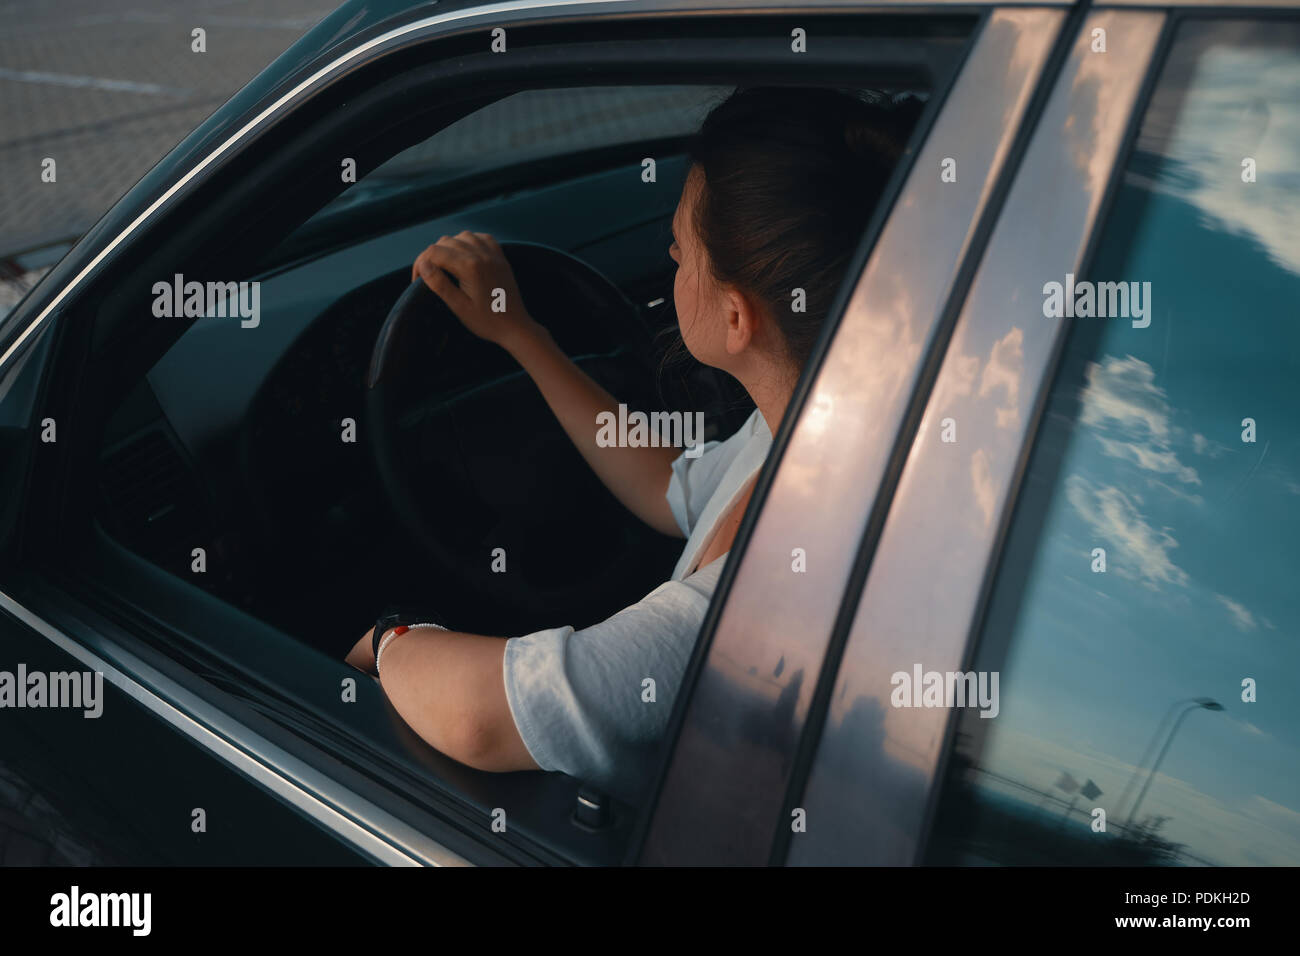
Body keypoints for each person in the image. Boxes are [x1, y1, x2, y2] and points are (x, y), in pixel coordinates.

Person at [345, 86, 915, 804]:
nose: (669, 257)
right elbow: (670, 488)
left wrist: (389, 634)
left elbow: (484, 717)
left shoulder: (760, 611)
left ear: (738, 319)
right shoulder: (816, 426)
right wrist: (523, 336)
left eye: (681, 254)